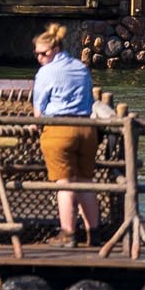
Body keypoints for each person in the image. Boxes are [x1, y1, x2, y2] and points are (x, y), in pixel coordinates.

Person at [31, 23, 101, 244]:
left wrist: (36, 123)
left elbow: (39, 108)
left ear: (56, 49)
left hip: (59, 129)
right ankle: (94, 234)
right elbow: (90, 102)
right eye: (37, 54)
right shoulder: (81, 67)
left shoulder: (46, 72)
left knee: (65, 184)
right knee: (85, 182)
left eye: (44, 53)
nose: (40, 58)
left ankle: (68, 234)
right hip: (87, 130)